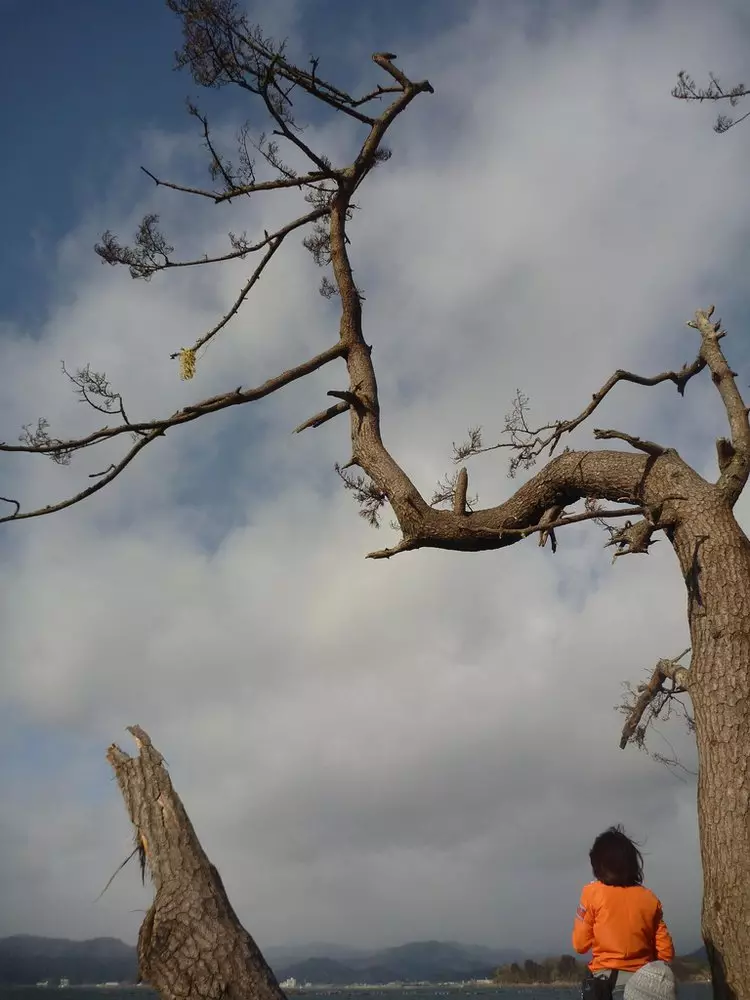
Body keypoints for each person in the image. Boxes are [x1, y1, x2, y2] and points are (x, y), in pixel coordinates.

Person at [572, 825, 676, 997]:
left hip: (605, 986)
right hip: (643, 985)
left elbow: (580, 944)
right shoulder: (649, 898)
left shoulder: (591, 893)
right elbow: (666, 952)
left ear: (598, 865)